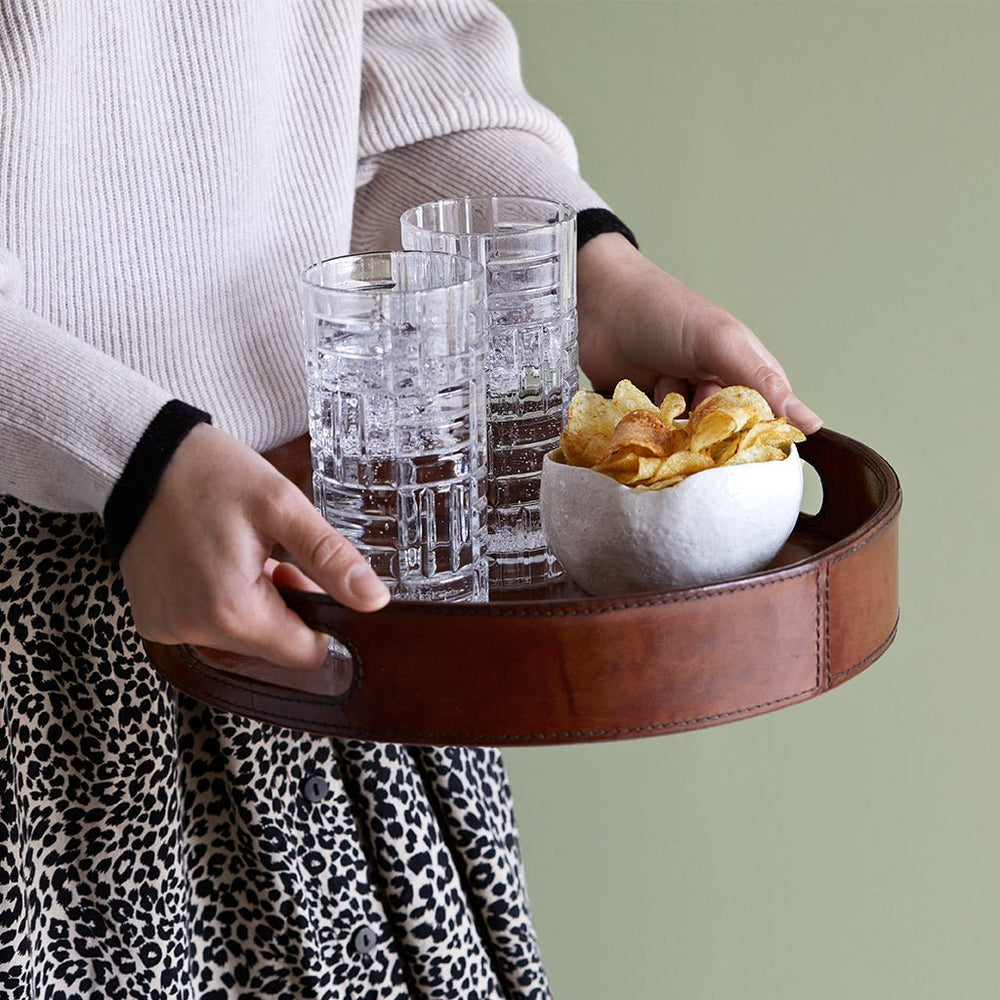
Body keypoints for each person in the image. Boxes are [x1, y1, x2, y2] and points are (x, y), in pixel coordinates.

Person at [0, 1, 822, 997]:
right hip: (37, 652)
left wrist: (586, 274)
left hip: (315, 585)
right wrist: (123, 456)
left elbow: (409, 78)